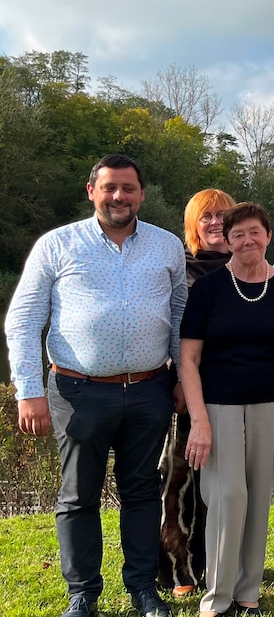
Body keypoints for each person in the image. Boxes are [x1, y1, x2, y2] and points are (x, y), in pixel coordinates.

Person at [5, 154, 186, 617]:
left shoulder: (166, 247)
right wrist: (27, 389)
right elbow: (25, 320)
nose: (119, 196)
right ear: (92, 191)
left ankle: (144, 589)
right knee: (78, 494)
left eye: (128, 188)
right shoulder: (57, 244)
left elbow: (181, 319)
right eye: (109, 188)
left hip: (150, 388)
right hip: (77, 390)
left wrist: (183, 379)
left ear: (142, 194)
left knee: (142, 491)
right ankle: (82, 593)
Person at [177, 202, 274, 617]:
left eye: (255, 232)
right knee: (228, 496)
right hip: (219, 406)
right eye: (238, 234)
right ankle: (216, 598)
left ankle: (248, 593)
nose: (247, 240)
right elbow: (189, 360)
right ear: (227, 240)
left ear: (268, 235)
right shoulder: (208, 290)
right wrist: (198, 420)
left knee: (256, 500)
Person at [158, 188, 234, 598]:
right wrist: (177, 381)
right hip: (184, 391)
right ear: (193, 224)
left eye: (223, 215)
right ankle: (177, 570)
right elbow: (168, 328)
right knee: (178, 481)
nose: (215, 222)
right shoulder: (177, 269)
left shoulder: (249, 266)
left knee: (221, 485)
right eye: (206, 216)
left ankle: (217, 566)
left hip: (234, 391)